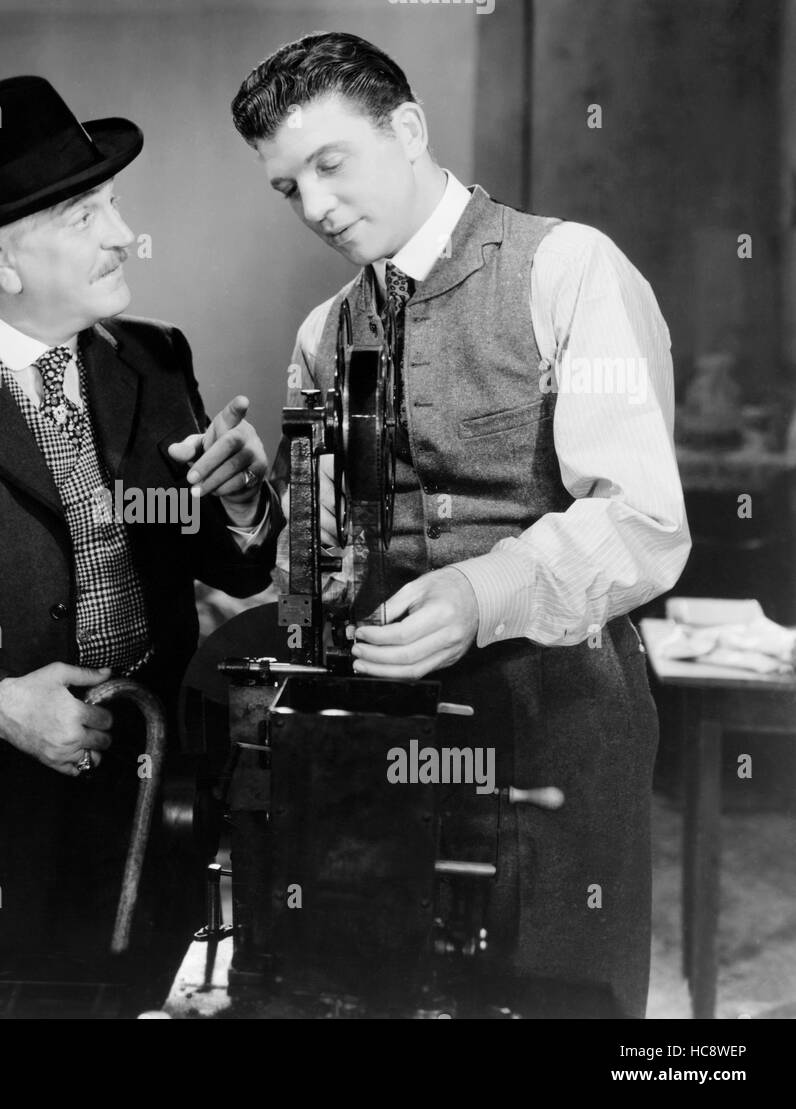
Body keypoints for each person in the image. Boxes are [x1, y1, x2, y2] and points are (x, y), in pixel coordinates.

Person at [231, 33, 690, 1017]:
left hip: (556, 704)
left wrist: (484, 592)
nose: (312, 206)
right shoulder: (323, 335)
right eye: (286, 187)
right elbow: (314, 558)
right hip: (383, 721)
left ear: (407, 129)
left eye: (327, 163)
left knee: (558, 993)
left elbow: (643, 519)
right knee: (368, 979)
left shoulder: (566, 269)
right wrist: (265, 515)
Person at [0, 76, 282, 1013]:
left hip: (148, 824)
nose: (121, 233)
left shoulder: (156, 360)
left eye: (113, 204)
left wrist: (242, 502)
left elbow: (238, 565)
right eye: (84, 214)